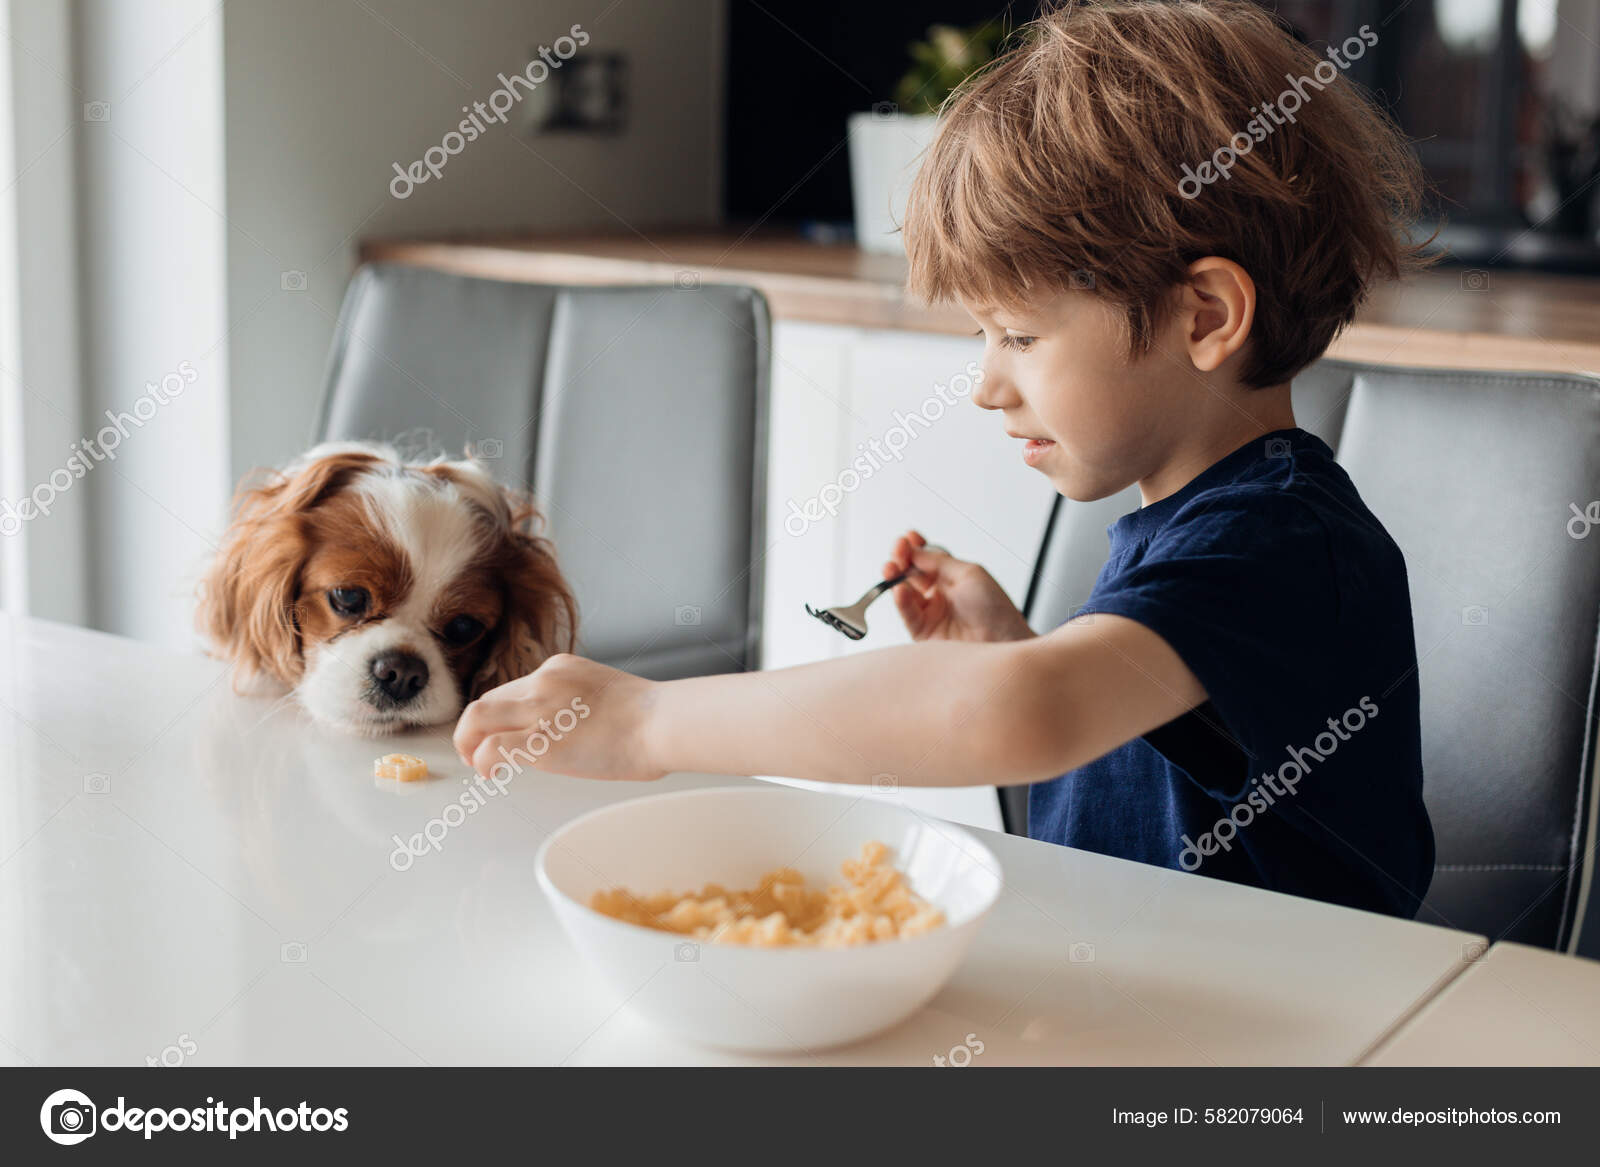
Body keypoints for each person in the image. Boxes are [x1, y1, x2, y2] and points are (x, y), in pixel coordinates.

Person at [454, 0, 1436, 918]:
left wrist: (643, 724)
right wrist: (1013, 648)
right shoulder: (1188, 522)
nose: (985, 386)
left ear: (1206, 315)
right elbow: (1121, 770)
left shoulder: (1283, 541)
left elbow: (1028, 714)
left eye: (1016, 334)